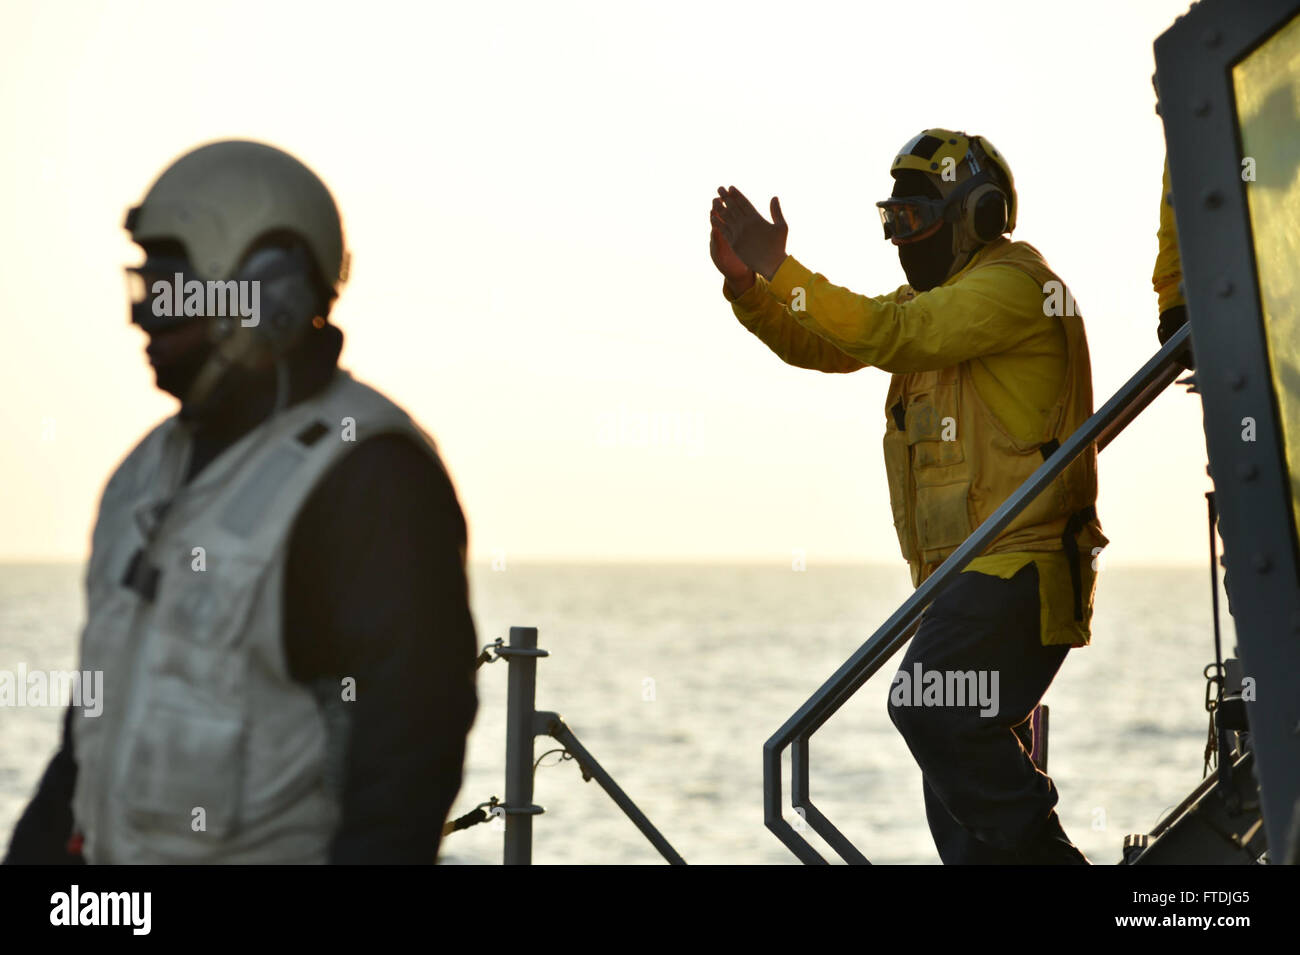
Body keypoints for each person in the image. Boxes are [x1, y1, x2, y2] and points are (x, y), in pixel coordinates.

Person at [4, 140, 477, 864]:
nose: (142, 319)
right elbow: (88, 743)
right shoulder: (143, 474)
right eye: (141, 287)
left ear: (267, 288)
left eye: (166, 288)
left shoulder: (369, 478)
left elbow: (405, 773)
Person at [711, 128, 1106, 864]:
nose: (901, 239)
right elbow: (831, 344)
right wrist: (749, 287)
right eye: (891, 222)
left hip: (1017, 569)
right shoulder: (941, 300)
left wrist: (778, 263)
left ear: (977, 215)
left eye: (915, 221)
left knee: (928, 704)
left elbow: (890, 332)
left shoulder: (1013, 287)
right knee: (961, 812)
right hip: (958, 581)